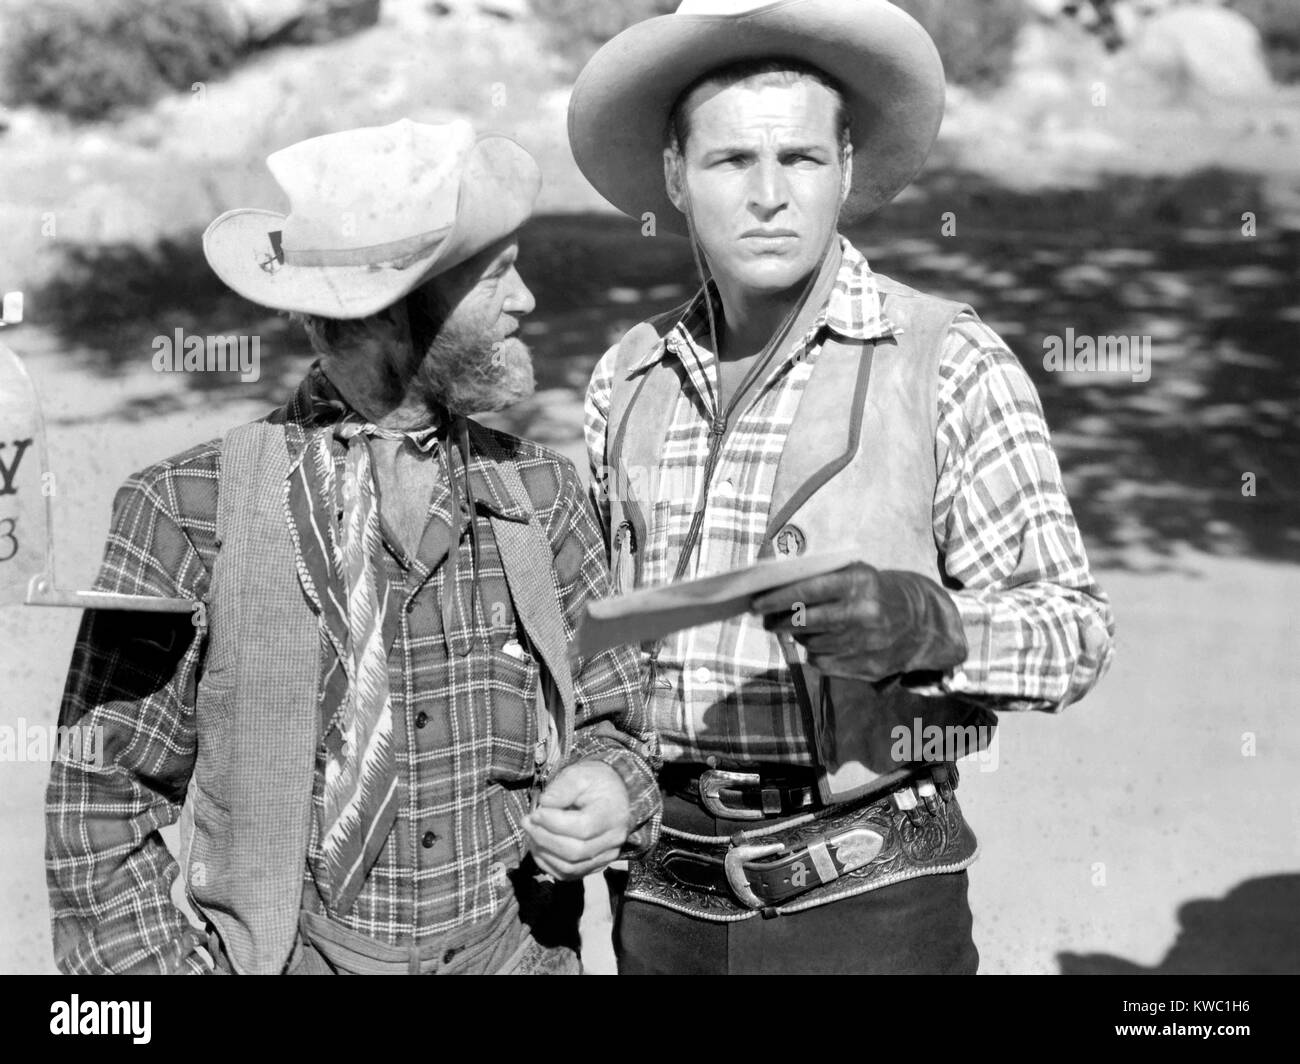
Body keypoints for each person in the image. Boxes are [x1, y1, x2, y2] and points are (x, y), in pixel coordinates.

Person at [571, 0, 1116, 974]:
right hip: (656, 901)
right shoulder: (629, 373)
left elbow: (1071, 637)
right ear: (675, 176)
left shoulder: (946, 359)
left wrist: (924, 626)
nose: (769, 194)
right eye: (732, 160)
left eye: (802, 160)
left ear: (848, 169)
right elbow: (598, 641)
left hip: (867, 901)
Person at [45, 118, 661, 975]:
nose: (524, 302)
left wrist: (611, 788)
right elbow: (99, 800)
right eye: (496, 277)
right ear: (387, 313)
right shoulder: (187, 509)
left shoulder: (542, 496)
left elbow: (626, 720)